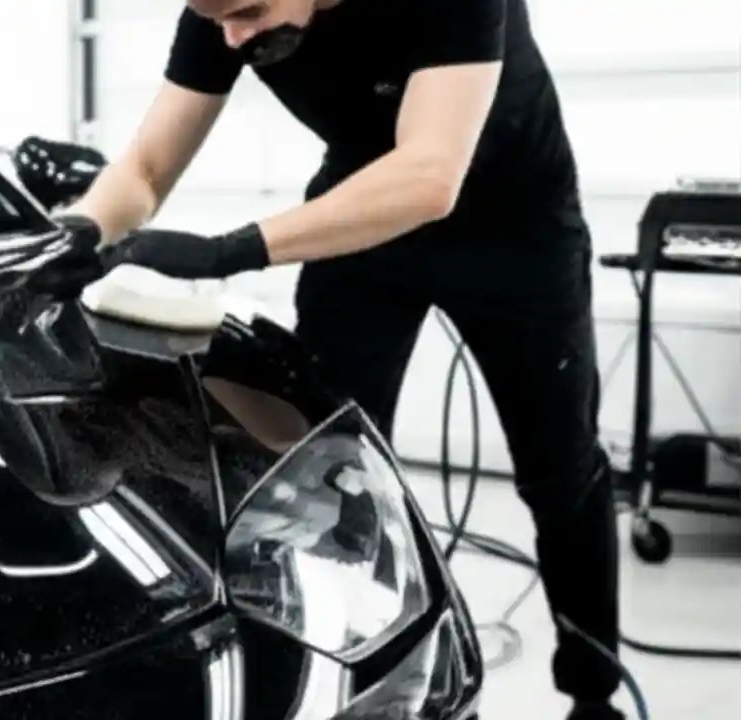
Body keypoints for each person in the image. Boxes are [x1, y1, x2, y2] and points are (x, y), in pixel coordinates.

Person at [60, 1, 623, 718]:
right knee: (329, 468)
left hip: (517, 233)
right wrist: (75, 234)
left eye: (249, 12)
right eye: (219, 20)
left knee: (561, 472)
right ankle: (373, 691)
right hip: (362, 214)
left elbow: (428, 176)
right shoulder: (221, 13)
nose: (233, 37)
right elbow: (144, 167)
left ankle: (593, 693)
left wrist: (229, 250)